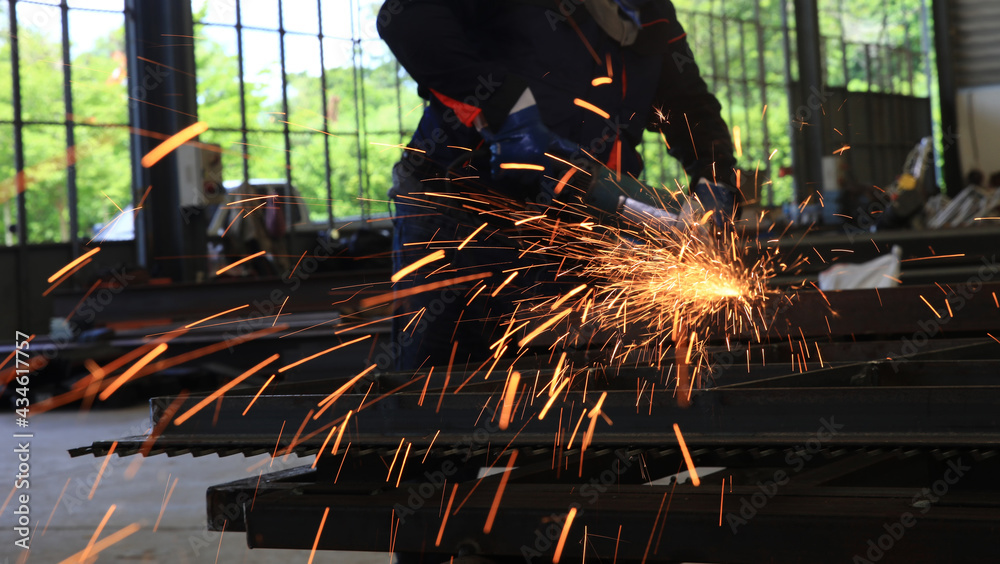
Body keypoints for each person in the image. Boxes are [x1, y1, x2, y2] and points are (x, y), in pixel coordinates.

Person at [378, 0, 739, 372]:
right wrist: (504, 104)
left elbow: (688, 104)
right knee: (439, 387)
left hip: (573, 223)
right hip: (462, 210)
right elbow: (407, 18)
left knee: (565, 391)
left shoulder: (650, 10)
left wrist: (717, 182)